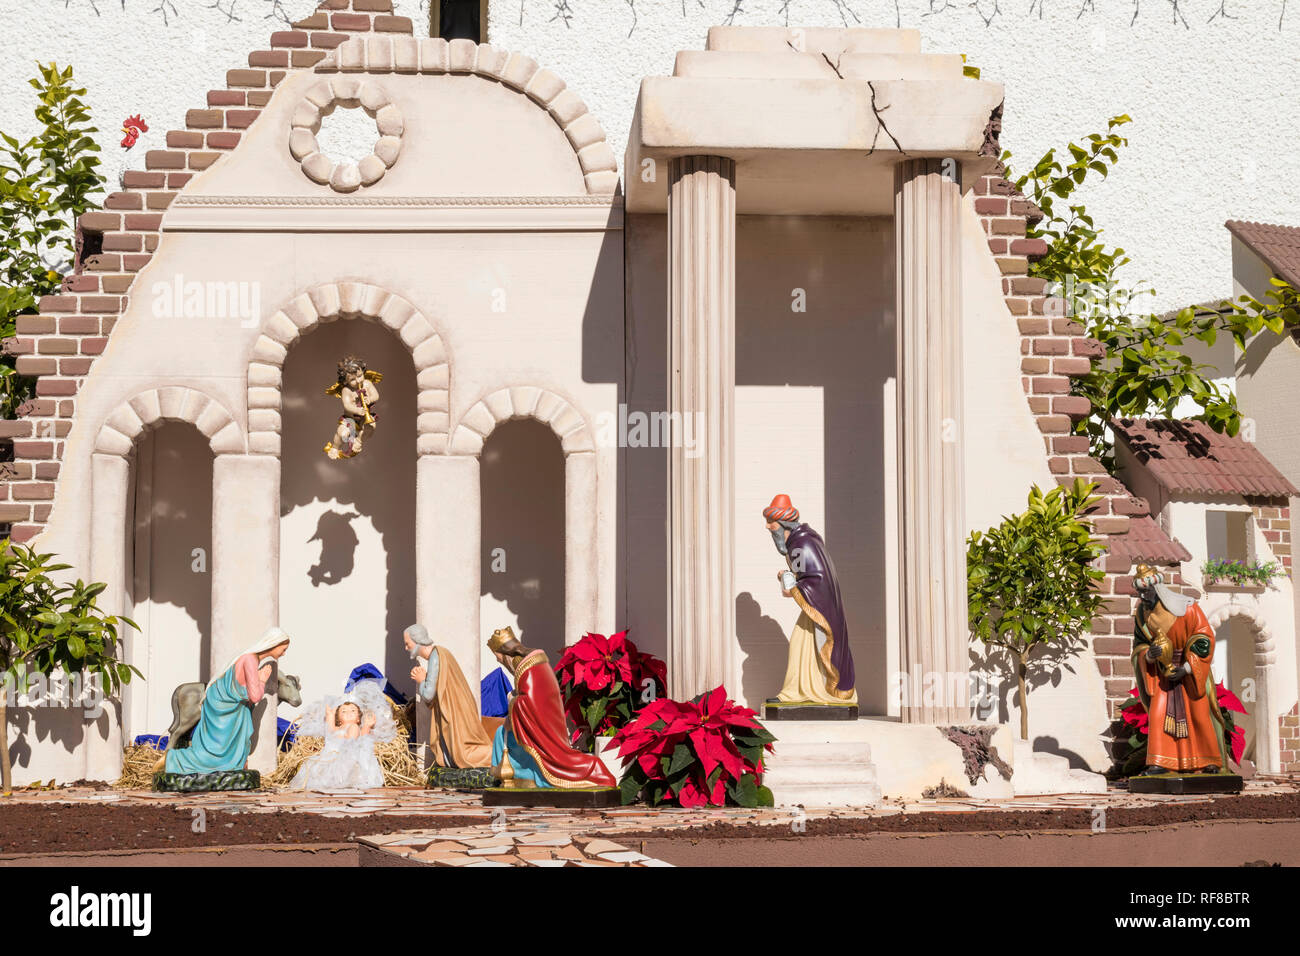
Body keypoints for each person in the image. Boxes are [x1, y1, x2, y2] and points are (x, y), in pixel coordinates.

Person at [487, 626, 616, 789]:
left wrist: (513, 701)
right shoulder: (533, 665)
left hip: (542, 725)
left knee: (504, 734)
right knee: (503, 733)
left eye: (499, 658)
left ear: (506, 654)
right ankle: (520, 775)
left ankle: (530, 774)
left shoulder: (531, 668)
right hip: (535, 722)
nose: (500, 662)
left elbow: (531, 701)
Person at [1131, 565, 1231, 774]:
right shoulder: (1142, 614)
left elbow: (1204, 637)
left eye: (1145, 591)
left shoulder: (1187, 608)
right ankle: (1160, 762)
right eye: (1139, 592)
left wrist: (1187, 668)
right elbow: (1139, 646)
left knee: (1198, 713)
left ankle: (1208, 761)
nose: (1142, 596)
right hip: (1163, 674)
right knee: (1160, 715)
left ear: (1158, 588)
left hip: (1189, 674)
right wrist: (1149, 655)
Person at [763, 494, 857, 705]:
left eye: (771, 523)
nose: (768, 528)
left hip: (818, 607)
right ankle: (800, 692)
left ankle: (813, 693)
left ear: (783, 524)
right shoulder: (806, 540)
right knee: (802, 645)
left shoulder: (799, 545)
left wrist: (787, 581)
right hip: (817, 606)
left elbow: (810, 583)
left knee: (803, 645)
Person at [162, 627, 291, 774]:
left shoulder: (248, 657)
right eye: (283, 649)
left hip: (228, 706)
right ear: (274, 644)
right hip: (225, 708)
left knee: (224, 749)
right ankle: (173, 759)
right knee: (217, 751)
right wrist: (261, 681)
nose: (284, 653)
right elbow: (255, 696)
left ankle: (233, 765)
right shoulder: (250, 659)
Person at [403, 624, 493, 769]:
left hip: (454, 714)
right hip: (453, 711)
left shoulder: (435, 657)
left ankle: (502, 755)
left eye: (407, 644)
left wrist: (421, 680)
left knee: (464, 754)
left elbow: (428, 695)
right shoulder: (440, 654)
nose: (406, 648)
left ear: (417, 640)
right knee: (453, 755)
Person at [290, 680, 395, 790]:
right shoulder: (338, 728)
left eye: (353, 711)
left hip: (350, 754)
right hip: (332, 755)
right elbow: (330, 732)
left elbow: (361, 740)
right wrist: (330, 716)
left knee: (348, 766)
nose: (349, 712)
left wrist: (367, 726)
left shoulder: (354, 727)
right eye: (343, 711)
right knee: (319, 770)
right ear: (339, 720)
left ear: (359, 718)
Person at [324, 355, 381, 459]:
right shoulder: (346, 390)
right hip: (350, 420)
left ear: (363, 372)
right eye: (353, 379)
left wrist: (370, 399)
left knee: (371, 426)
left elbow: (376, 396)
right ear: (346, 381)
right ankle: (335, 447)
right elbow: (347, 405)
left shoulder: (367, 384)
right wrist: (357, 410)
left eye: (359, 376)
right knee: (343, 434)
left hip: (364, 418)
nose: (358, 381)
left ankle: (358, 441)